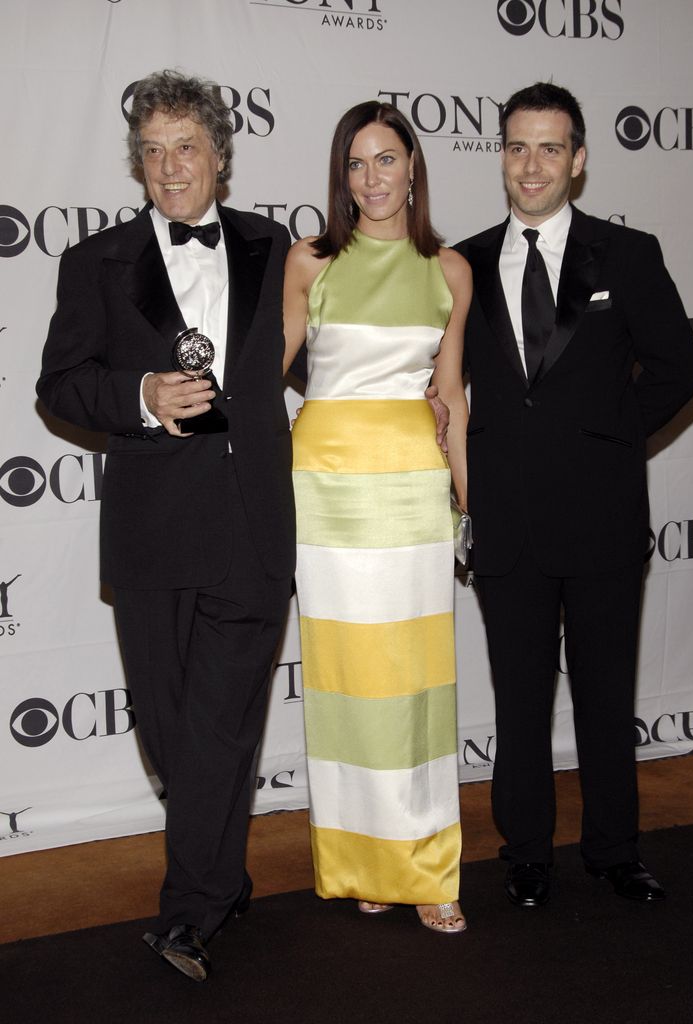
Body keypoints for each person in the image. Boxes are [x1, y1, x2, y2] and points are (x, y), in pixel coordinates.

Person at [37, 70, 294, 980]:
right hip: (152, 531)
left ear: (219, 157)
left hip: (254, 525)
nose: (169, 166)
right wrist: (139, 396)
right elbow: (59, 387)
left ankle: (186, 913)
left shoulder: (277, 246)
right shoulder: (95, 262)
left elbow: (334, 349)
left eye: (185, 146)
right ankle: (220, 871)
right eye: (152, 151)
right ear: (136, 165)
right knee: (172, 730)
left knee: (222, 724)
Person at [454, 82, 693, 908]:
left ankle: (613, 850)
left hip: (600, 517)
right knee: (518, 701)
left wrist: (604, 436)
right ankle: (525, 854)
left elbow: (676, 370)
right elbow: (429, 382)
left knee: (605, 693)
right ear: (501, 155)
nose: (532, 165)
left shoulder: (628, 255)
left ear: (579, 160)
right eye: (518, 146)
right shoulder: (462, 263)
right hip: (505, 522)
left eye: (550, 148)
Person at [283, 101, 471, 933]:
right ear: (341, 176)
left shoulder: (451, 270)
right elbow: (265, 379)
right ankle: (365, 858)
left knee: (417, 678)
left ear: (412, 166)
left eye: (386, 159)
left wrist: (470, 499)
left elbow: (452, 399)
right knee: (345, 678)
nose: (372, 179)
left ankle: (428, 870)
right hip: (324, 489)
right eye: (356, 164)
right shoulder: (308, 260)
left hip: (412, 488)